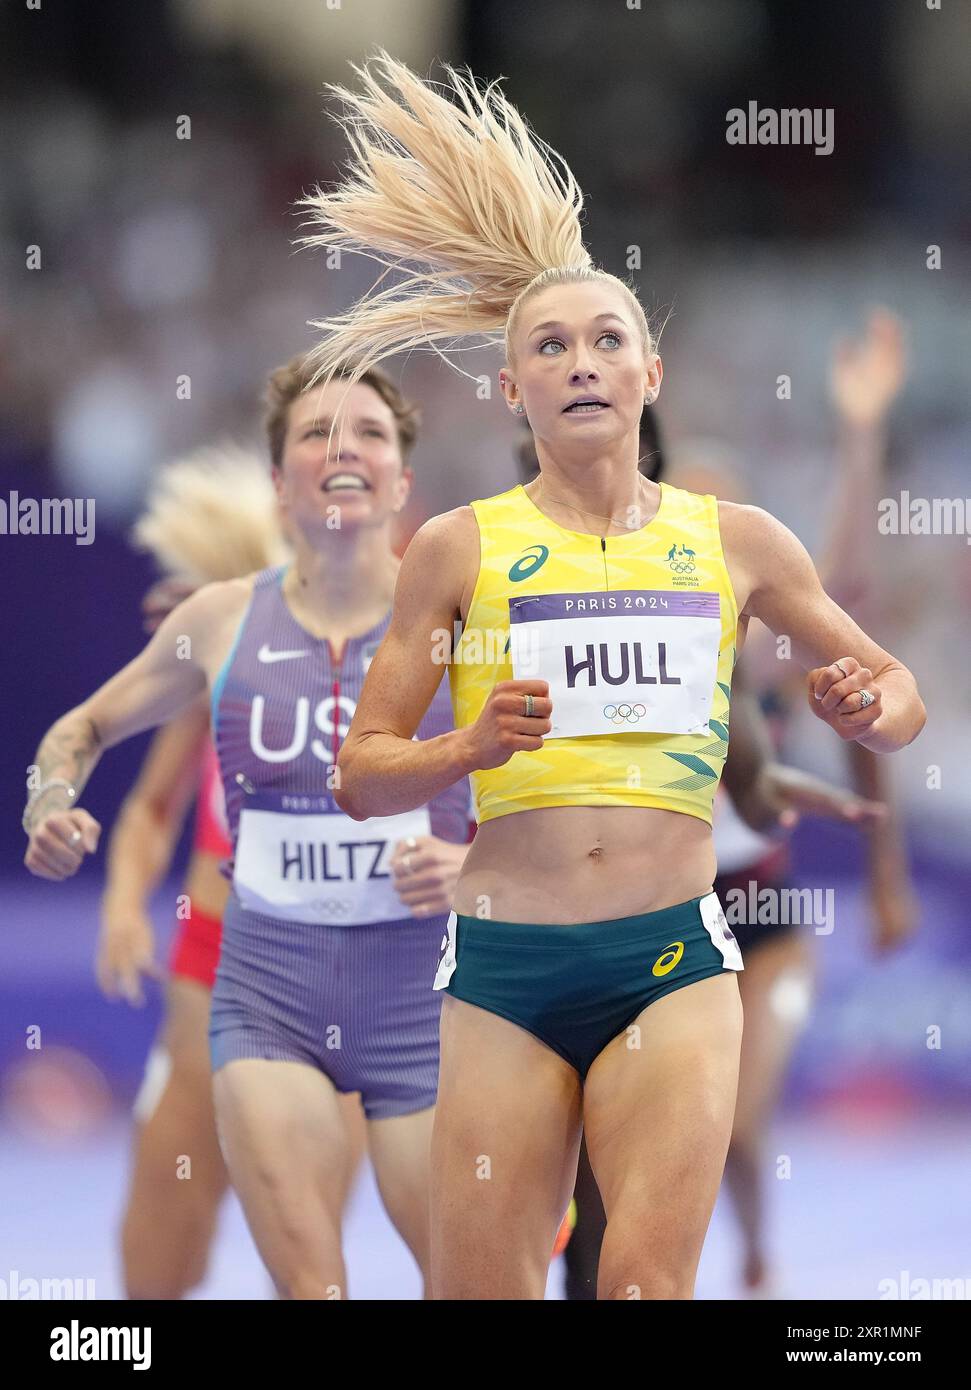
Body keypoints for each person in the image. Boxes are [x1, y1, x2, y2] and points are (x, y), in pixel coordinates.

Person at [300, 51, 926, 1299]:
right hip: (503, 970)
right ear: (512, 386)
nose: (580, 361)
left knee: (642, 1286)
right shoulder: (458, 548)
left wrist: (869, 701)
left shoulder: (734, 541)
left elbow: (897, 697)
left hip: (672, 962)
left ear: (649, 377)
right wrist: (467, 750)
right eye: (550, 346)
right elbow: (359, 776)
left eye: (606, 341)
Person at [23, 357, 473, 1299]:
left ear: (404, 482)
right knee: (278, 1275)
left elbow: (564, 798)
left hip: (420, 999)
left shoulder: (465, 623)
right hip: (258, 986)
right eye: (315, 435)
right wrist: (50, 805)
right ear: (278, 484)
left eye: (368, 437)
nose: (341, 451)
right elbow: (83, 733)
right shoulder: (220, 623)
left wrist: (473, 859)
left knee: (474, 1280)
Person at [515, 409, 887, 1300]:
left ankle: (753, 1255)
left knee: (740, 1128)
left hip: (761, 918)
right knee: (600, 1157)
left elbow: (840, 576)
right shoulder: (632, 627)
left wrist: (862, 433)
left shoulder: (755, 645)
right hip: (646, 915)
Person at [97, 445, 368, 1298]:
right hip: (212, 966)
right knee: (153, 1258)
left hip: (343, 976)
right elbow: (148, 809)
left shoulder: (405, 647)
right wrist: (121, 905)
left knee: (307, 1261)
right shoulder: (230, 644)